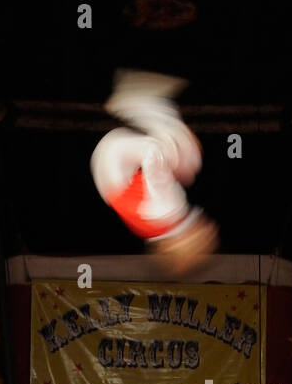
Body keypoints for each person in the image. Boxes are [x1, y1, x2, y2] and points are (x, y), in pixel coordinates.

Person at [90, 69, 218, 277]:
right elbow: (152, 186)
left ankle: (132, 102)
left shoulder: (167, 213)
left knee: (182, 154)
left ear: (181, 246)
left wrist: (173, 159)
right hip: (111, 175)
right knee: (186, 158)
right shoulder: (166, 224)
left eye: (202, 243)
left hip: (113, 161)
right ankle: (141, 105)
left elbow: (154, 167)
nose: (207, 234)